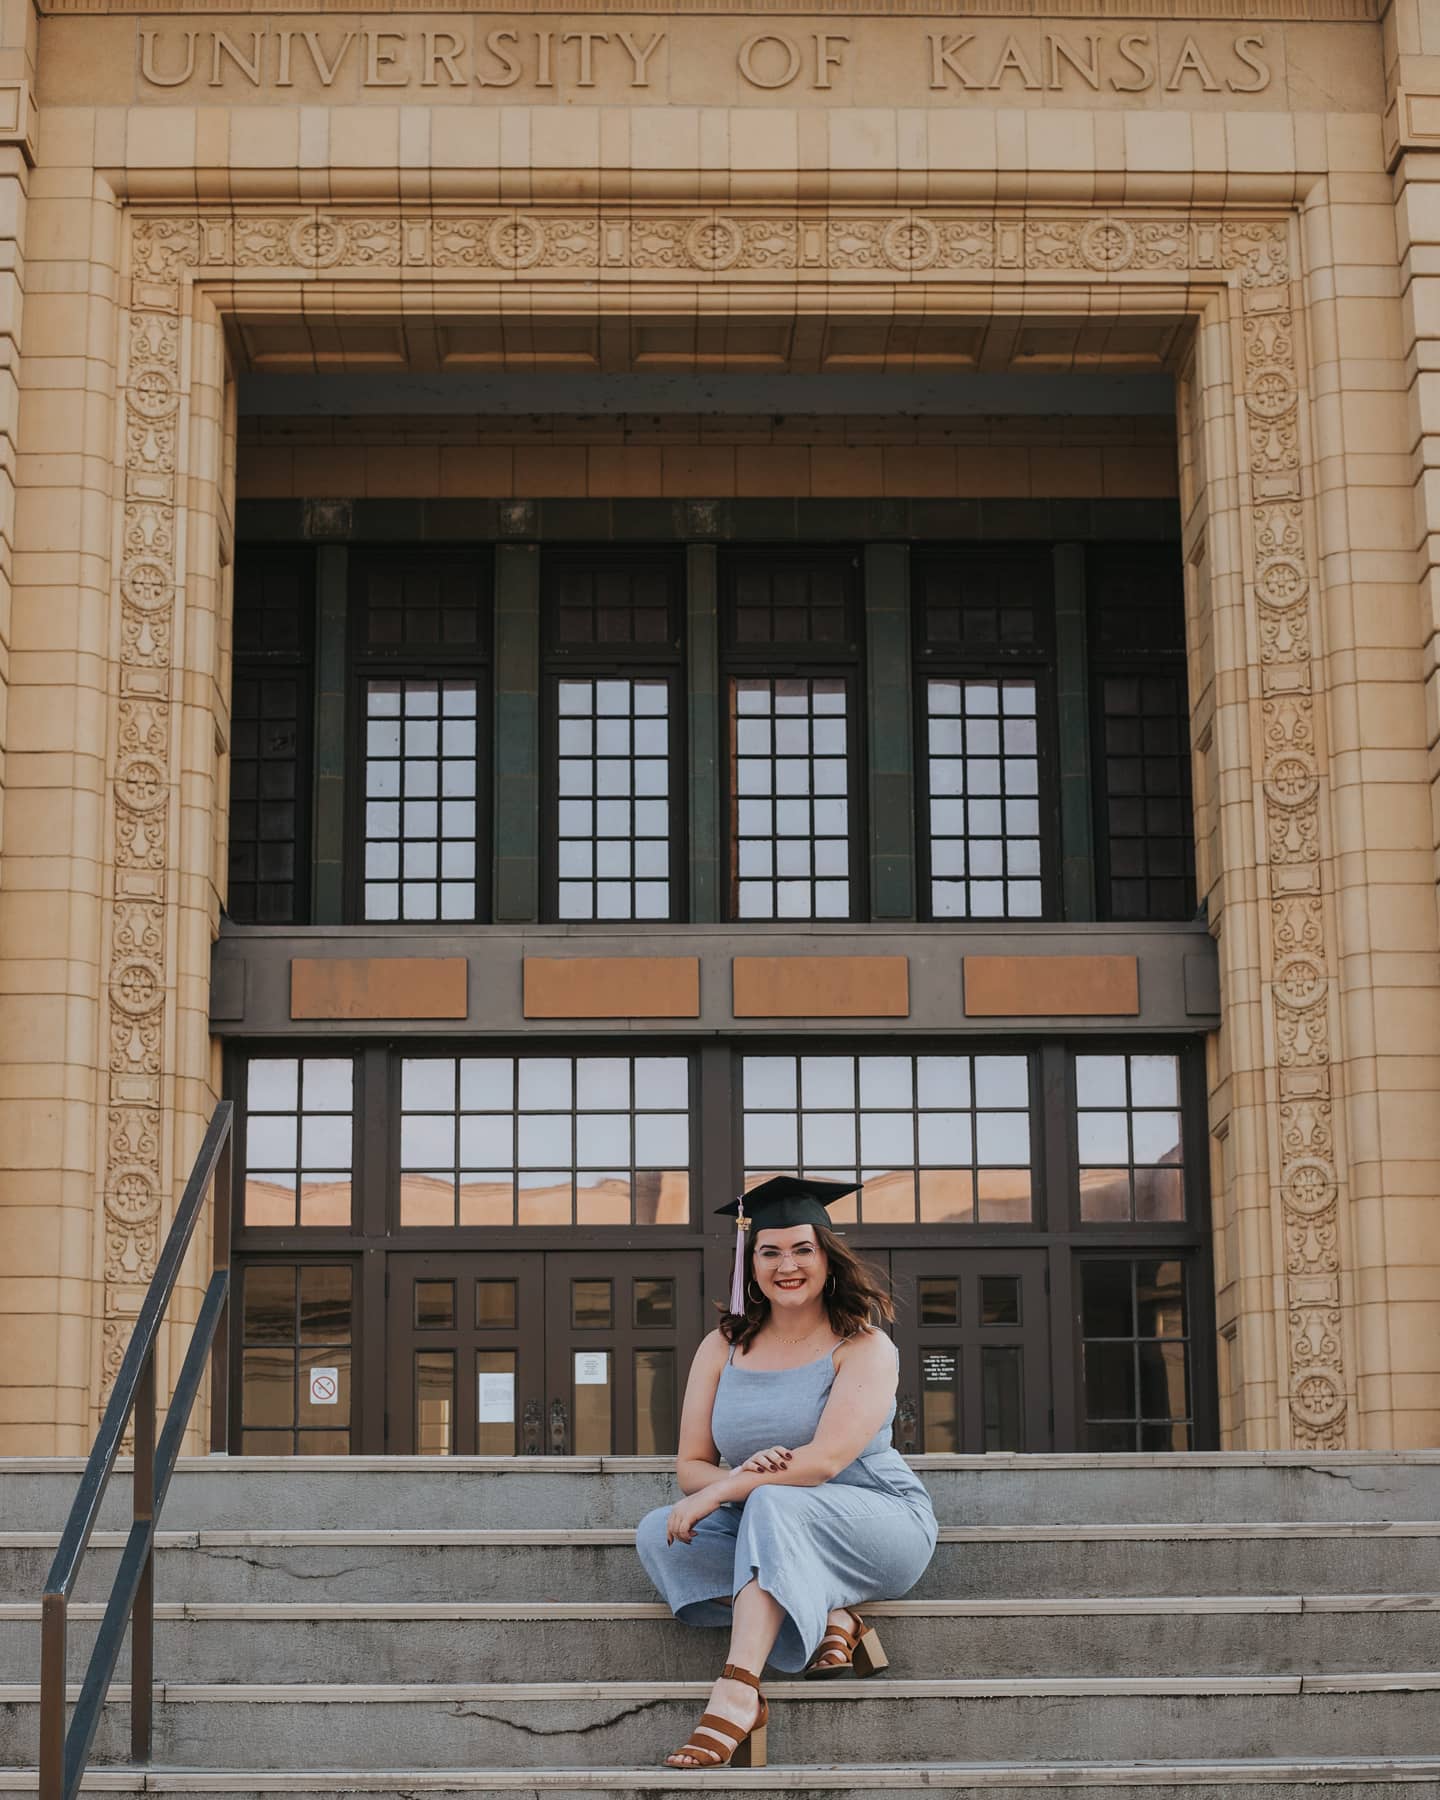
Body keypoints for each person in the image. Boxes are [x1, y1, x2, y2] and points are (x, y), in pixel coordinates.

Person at [634, 1176, 939, 1770]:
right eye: (769, 1252)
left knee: (773, 1502)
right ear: (750, 1264)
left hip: (874, 1518)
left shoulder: (864, 1344)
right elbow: (690, 1467)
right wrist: (736, 1477)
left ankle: (738, 1692)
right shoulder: (721, 1346)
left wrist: (734, 1485)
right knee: (659, 1534)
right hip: (768, 1522)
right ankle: (828, 1612)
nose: (787, 1265)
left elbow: (824, 1461)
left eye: (803, 1249)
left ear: (828, 1256)